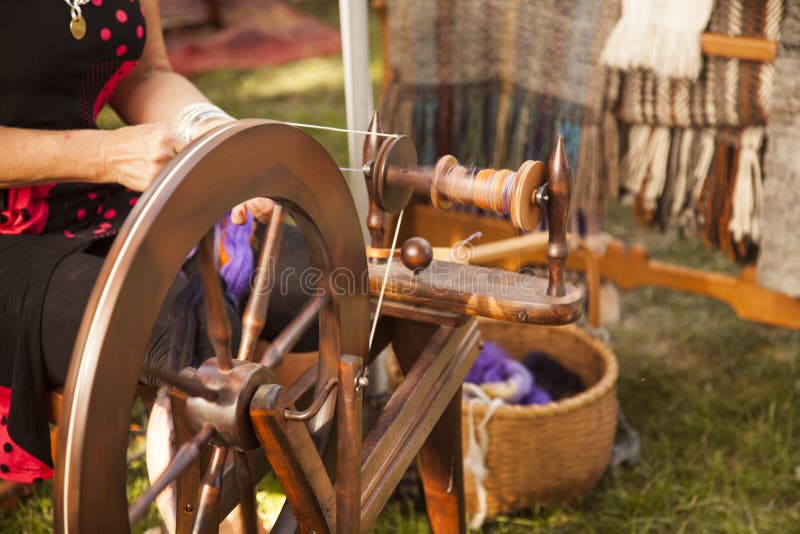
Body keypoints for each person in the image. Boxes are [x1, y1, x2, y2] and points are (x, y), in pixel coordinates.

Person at [0, 0, 310, 485]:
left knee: (313, 274)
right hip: (10, 241)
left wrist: (209, 130)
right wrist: (102, 154)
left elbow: (144, 75)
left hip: (90, 202)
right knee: (185, 327)